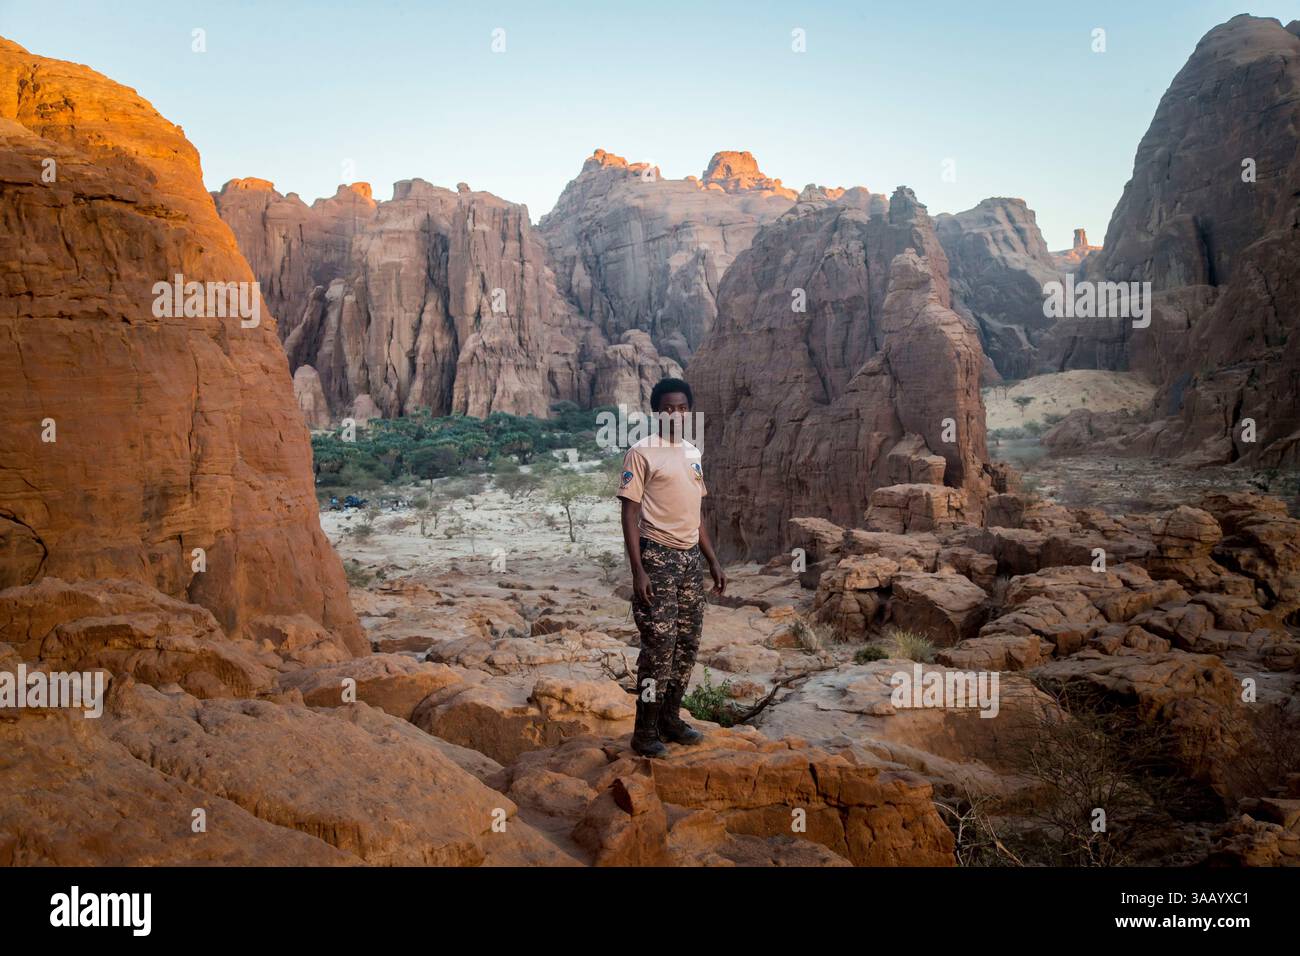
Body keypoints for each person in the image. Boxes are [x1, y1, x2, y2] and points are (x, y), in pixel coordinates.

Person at [616, 377, 726, 757]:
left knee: (687, 643)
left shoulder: (693, 454)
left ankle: (670, 719)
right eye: (667, 408)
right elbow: (629, 514)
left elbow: (697, 514)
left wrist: (712, 560)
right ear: (656, 412)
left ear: (689, 411)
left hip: (690, 560)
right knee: (658, 646)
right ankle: (644, 731)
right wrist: (638, 571)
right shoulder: (641, 452)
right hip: (657, 557)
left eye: (682, 408)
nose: (675, 414)